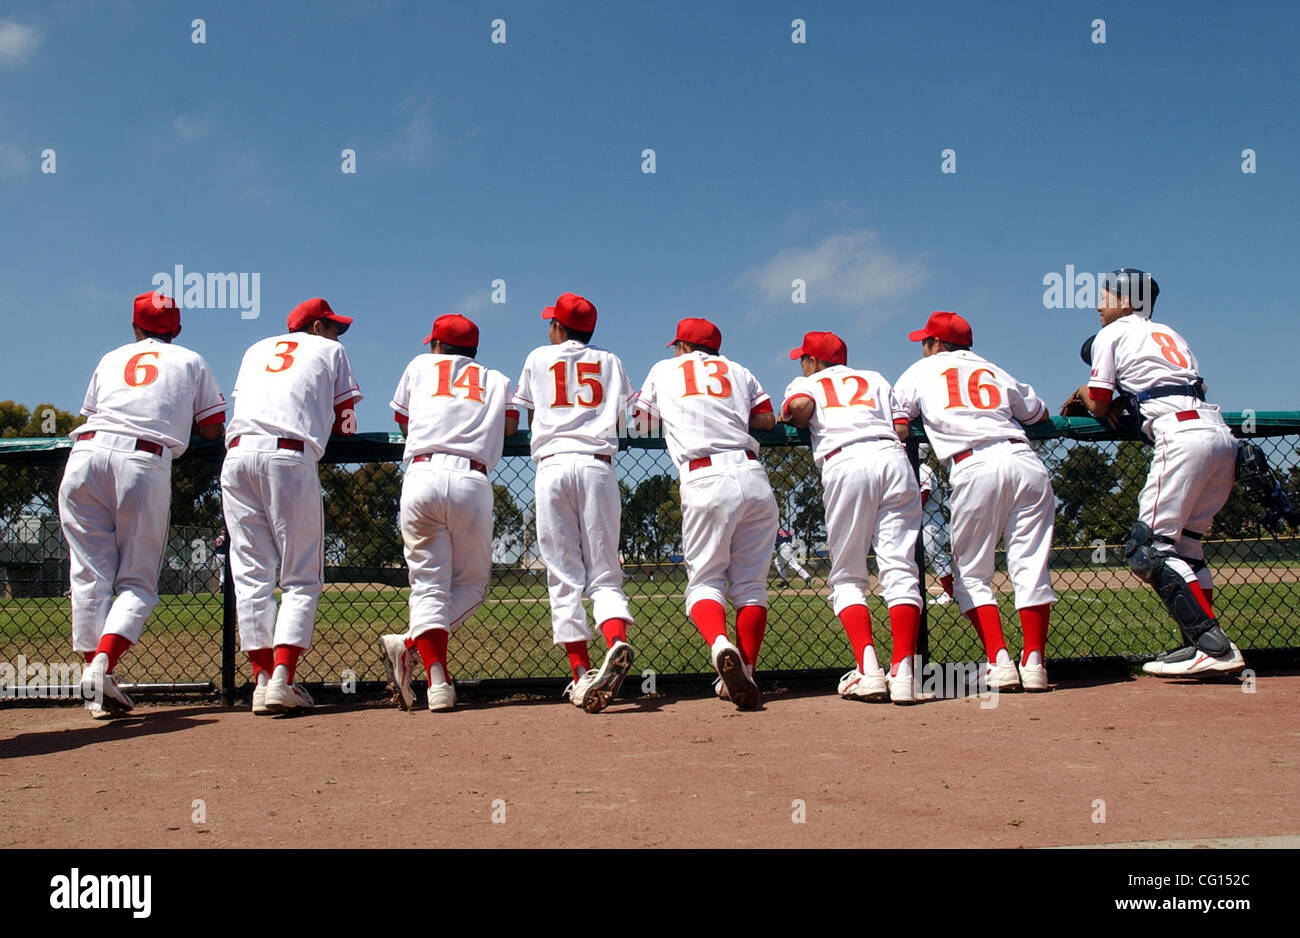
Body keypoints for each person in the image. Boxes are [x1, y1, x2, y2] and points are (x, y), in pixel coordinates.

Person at [1062, 268, 1243, 676]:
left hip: (1180, 437)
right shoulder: (1170, 333)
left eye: (1104, 294)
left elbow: (1100, 403)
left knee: (1148, 550)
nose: (1097, 303)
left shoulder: (1114, 331)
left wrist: (1085, 393)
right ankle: (1197, 646)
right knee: (1188, 547)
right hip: (1220, 436)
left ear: (1126, 301)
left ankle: (1212, 646)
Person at [58, 291, 226, 719]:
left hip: (84, 456)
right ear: (178, 329)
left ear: (134, 327)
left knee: (89, 575)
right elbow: (212, 428)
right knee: (137, 582)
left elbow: (93, 410)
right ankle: (103, 667)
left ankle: (96, 683)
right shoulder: (191, 359)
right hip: (141, 461)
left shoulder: (111, 357)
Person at [893, 311, 1055, 692]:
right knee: (1031, 565)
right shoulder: (994, 369)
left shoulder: (922, 371)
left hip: (973, 463)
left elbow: (899, 419)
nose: (922, 347)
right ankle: (1035, 663)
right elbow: (1038, 412)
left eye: (924, 341)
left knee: (970, 573)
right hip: (1024, 460)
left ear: (936, 344)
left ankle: (999, 660)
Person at [221, 297, 362, 715]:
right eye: (334, 326)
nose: (339, 334)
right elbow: (346, 425)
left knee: (251, 574)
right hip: (289, 457)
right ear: (318, 326)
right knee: (301, 575)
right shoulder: (330, 350)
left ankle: (262, 681)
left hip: (237, 456)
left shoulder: (255, 349)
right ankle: (283, 677)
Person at [632, 318, 779, 710]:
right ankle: (745, 671)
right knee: (750, 586)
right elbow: (768, 420)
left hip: (704, 476)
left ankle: (719, 643)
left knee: (704, 583)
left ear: (681, 346)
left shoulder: (665, 370)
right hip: (752, 474)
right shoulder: (739, 370)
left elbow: (642, 422)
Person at [376, 314, 518, 713]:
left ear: (436, 345)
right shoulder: (497, 378)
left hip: (422, 473)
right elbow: (510, 427)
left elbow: (402, 420)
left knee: (427, 585)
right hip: (472, 480)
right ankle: (411, 649)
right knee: (472, 586)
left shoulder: (419, 366)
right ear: (473, 351)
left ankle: (437, 681)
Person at [780, 330, 924, 703]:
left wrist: (798, 413)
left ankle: (869, 670)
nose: (801, 364)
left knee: (847, 575)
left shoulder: (806, 381)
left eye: (803, 359)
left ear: (813, 362)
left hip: (846, 462)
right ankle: (904, 672)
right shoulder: (874, 378)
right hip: (893, 459)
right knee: (900, 568)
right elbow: (902, 428)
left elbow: (798, 411)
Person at [512, 293, 635, 713]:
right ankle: (616, 642)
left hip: (552, 464)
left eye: (552, 322)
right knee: (605, 573)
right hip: (598, 464)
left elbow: (527, 416)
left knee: (563, 575)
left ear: (558, 328)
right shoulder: (612, 360)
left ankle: (581, 674)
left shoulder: (537, 357)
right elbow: (624, 418)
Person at [916, 443, 956, 605]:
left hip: (930, 518)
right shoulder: (914, 468)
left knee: (935, 553)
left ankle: (949, 593)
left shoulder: (923, 469)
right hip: (920, 518)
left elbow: (924, 493)